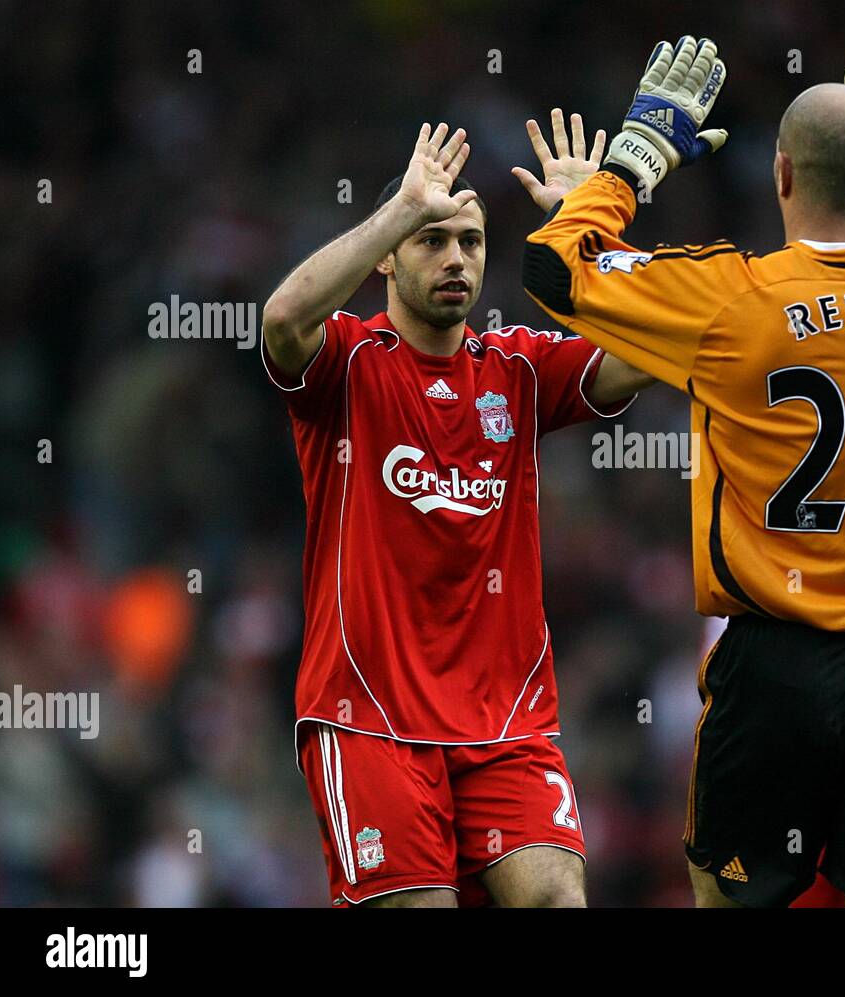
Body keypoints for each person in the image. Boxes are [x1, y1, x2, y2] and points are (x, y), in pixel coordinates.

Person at [523, 37, 845, 907]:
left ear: (780, 176)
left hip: (774, 665)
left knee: (724, 887)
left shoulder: (732, 297)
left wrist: (635, 156)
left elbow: (553, 261)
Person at [262, 115, 652, 907]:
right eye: (431, 239)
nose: (455, 259)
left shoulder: (519, 370)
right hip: (367, 719)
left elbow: (650, 348)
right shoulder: (348, 362)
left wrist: (591, 230)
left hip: (506, 723)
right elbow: (279, 321)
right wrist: (398, 209)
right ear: (389, 259)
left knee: (556, 898)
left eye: (470, 243)